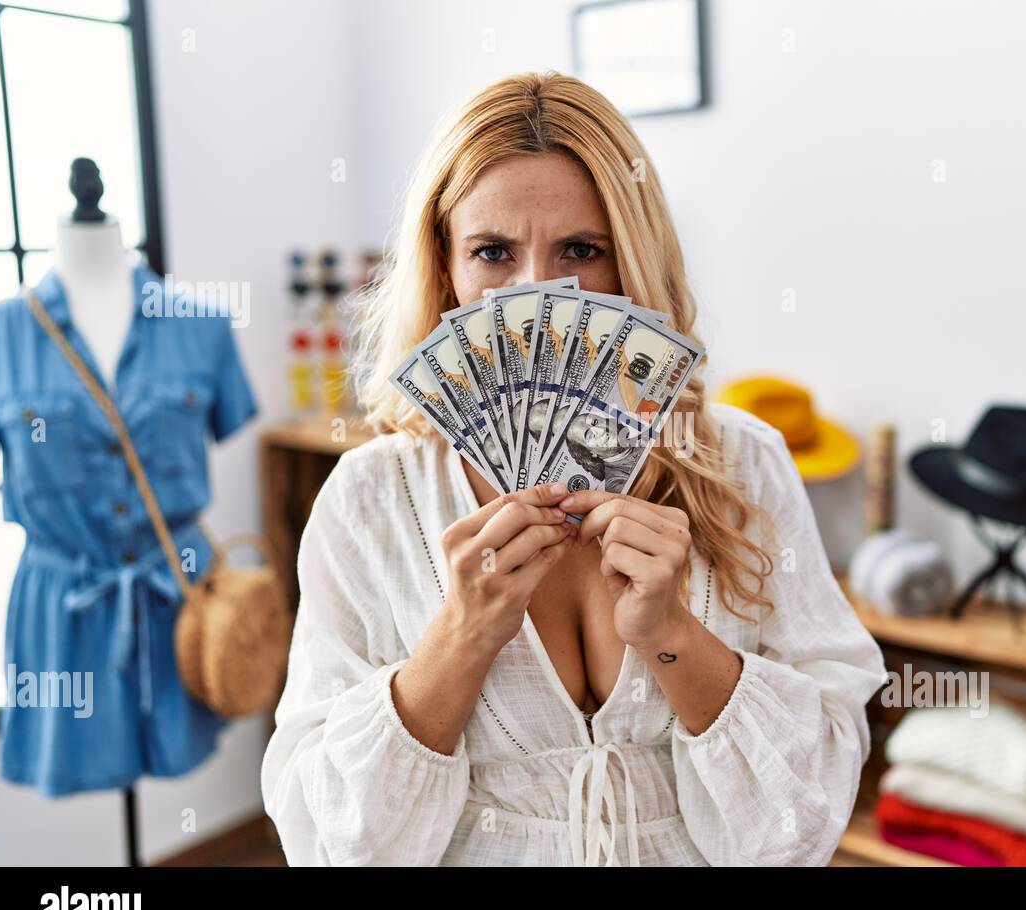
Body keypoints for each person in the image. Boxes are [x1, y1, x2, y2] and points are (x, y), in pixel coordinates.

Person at [260, 71, 886, 866]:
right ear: (446, 270)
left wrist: (671, 636)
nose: (539, 294)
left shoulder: (743, 464)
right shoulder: (372, 498)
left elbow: (805, 817)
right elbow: (332, 842)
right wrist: (463, 634)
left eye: (582, 250)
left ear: (633, 264)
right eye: (492, 251)